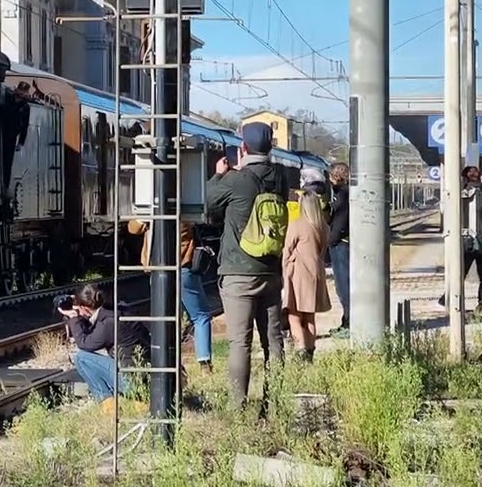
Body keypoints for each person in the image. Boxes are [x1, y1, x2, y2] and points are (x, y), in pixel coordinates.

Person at [204, 121, 288, 410]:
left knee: (240, 342)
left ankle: (237, 407)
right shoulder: (279, 178)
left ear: (243, 148)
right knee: (273, 341)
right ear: (271, 147)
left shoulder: (236, 179)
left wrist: (219, 176)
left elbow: (209, 205)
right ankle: (274, 404)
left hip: (239, 273)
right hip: (271, 272)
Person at [124, 219, 213, 373]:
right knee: (200, 316)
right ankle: (205, 364)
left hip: (157, 270)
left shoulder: (152, 212)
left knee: (165, 318)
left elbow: (133, 229)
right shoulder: (183, 211)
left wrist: (142, 217)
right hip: (183, 268)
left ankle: (163, 362)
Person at [58, 283, 147, 409]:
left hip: (134, 382)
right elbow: (94, 328)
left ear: (84, 308)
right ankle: (134, 399)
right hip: (148, 375)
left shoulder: (108, 323)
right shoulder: (120, 309)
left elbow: (84, 343)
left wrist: (73, 318)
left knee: (81, 358)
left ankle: (109, 405)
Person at [438, 165, 482, 314]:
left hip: (474, 239)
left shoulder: (469, 192)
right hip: (480, 238)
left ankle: (451, 299)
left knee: (463, 271)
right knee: (481, 273)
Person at [282, 191, 332, 362]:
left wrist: (285, 269)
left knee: (294, 315)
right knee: (310, 316)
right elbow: (323, 252)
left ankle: (300, 350)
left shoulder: (297, 224)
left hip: (299, 273)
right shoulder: (324, 226)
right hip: (316, 272)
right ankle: (310, 353)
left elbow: (287, 250)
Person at [326, 163, 351, 338]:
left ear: (336, 177)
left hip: (341, 245)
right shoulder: (347, 193)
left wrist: (330, 241)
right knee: (345, 285)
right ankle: (347, 320)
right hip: (345, 244)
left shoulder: (342, 195)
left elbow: (339, 223)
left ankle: (349, 323)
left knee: (343, 286)